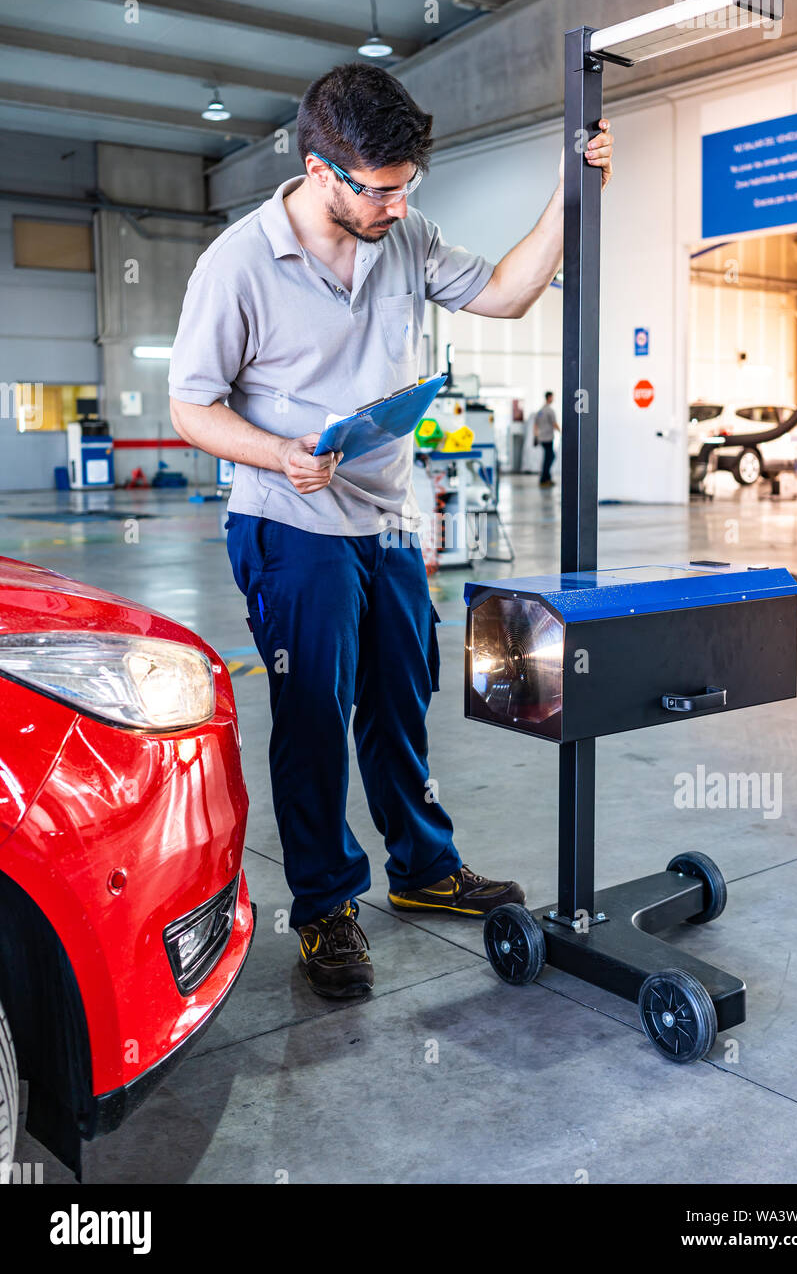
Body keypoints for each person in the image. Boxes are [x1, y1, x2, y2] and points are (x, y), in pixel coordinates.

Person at [169, 63, 613, 1000]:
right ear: (321, 168)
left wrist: (575, 196)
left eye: (409, 185)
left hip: (387, 519)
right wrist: (275, 450)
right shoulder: (238, 263)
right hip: (288, 518)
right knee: (314, 715)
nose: (396, 204)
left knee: (400, 701)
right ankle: (327, 905)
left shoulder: (406, 232)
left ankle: (420, 869)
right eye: (379, 189)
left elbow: (506, 292)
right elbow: (191, 405)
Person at [534, 390, 560, 487]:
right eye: (552, 397)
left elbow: (535, 425)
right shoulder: (549, 410)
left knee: (549, 457)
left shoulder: (540, 411)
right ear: (549, 398)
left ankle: (547, 478)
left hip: (541, 438)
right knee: (549, 458)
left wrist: (536, 436)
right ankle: (544, 479)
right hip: (548, 438)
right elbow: (554, 423)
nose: (553, 399)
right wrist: (562, 431)